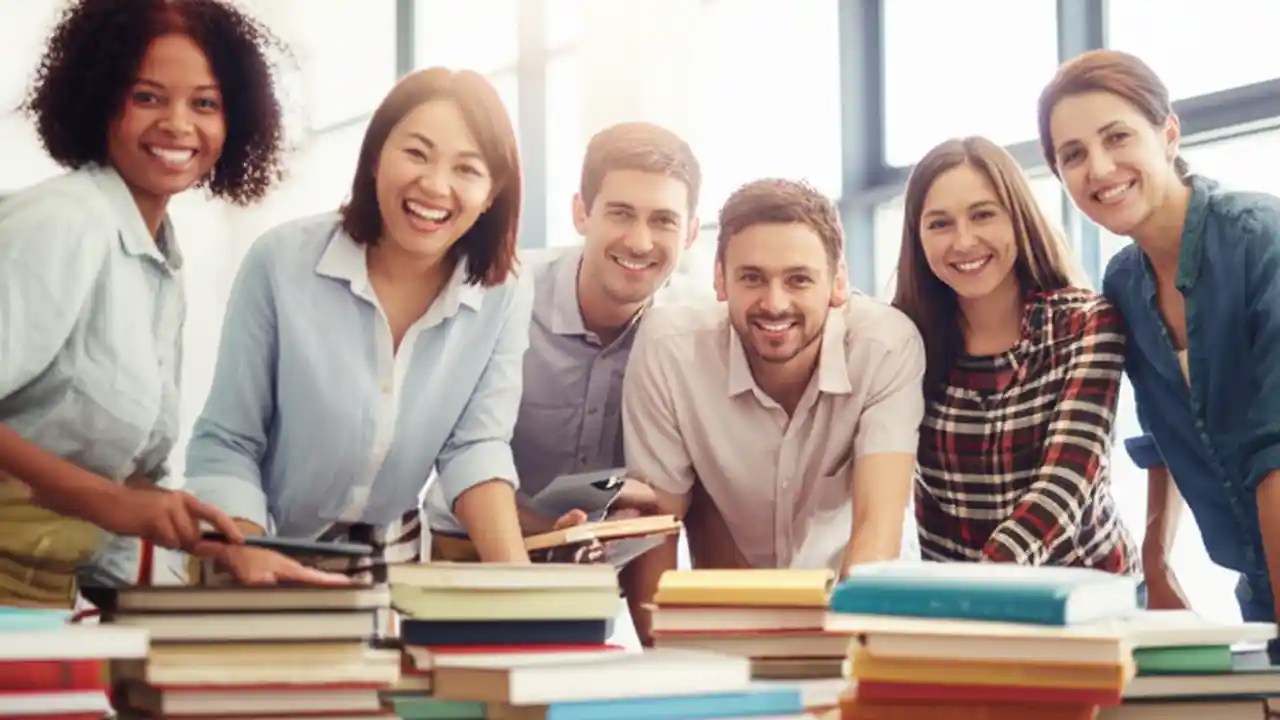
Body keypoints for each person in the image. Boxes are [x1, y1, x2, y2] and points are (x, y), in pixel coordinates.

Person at [185, 67, 536, 584]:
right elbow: (228, 441)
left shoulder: (504, 290)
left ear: (492, 192)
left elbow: (475, 447)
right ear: (375, 157)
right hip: (256, 541)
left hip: (388, 553)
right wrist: (251, 553)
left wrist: (520, 582)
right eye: (416, 153)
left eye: (467, 169)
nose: (435, 185)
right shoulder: (281, 262)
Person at [0, 0, 290, 605]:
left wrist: (218, 551)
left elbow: (128, 490)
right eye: (148, 97)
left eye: (204, 103)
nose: (179, 125)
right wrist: (120, 504)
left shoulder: (159, 257)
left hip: (44, 602)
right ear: (101, 97)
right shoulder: (65, 221)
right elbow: (116, 500)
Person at [621, 178, 925, 644]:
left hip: (857, 610)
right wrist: (665, 666)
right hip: (727, 613)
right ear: (720, 278)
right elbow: (654, 529)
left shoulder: (885, 345)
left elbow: (875, 528)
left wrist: (845, 662)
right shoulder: (670, 349)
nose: (774, 303)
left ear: (838, 282)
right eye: (752, 277)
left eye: (799, 279)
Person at [1039, 49, 1280, 621]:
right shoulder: (1124, 281)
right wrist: (1156, 562)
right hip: (1259, 581)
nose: (1098, 168)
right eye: (1073, 155)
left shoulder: (1260, 241)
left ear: (1168, 134)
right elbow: (1161, 431)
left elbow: (1275, 453)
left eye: (1117, 137)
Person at [423, 121, 702, 553]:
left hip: (590, 560)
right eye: (621, 213)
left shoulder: (690, 335)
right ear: (581, 213)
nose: (640, 241)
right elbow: (452, 446)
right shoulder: (503, 294)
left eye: (663, 220)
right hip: (465, 548)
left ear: (690, 233)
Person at [892, 136, 1137, 573]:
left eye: (983, 214)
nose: (963, 241)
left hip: (1085, 598)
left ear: (1017, 218)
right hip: (960, 614)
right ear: (917, 237)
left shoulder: (1085, 323)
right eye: (939, 224)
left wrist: (981, 587)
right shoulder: (903, 341)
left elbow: (1065, 484)